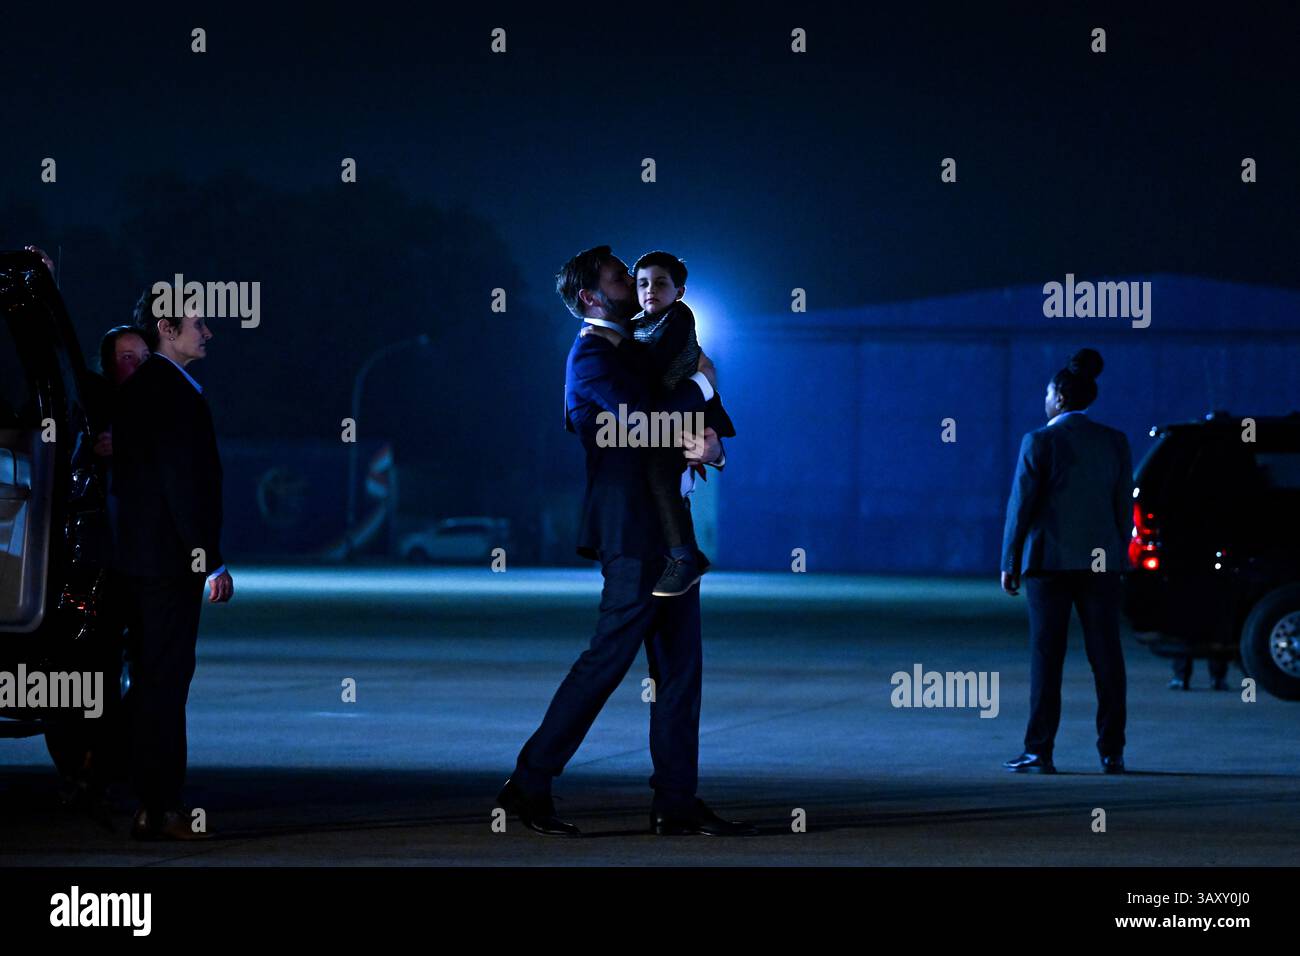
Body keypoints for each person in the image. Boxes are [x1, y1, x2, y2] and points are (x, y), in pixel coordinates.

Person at [495, 245, 758, 837]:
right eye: (619, 278)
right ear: (591, 297)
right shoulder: (589, 357)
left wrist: (713, 444)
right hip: (631, 532)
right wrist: (700, 385)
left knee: (681, 670)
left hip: (671, 535)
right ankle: (529, 782)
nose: (632, 285)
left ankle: (676, 802)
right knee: (607, 662)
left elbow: (674, 414)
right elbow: (643, 419)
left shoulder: (636, 349)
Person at [111, 288, 234, 840]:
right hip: (170, 564)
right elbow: (184, 486)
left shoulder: (138, 391)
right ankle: (161, 806)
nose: (206, 332)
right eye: (198, 323)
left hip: (138, 560)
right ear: (166, 326)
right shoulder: (176, 395)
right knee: (167, 682)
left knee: (148, 679)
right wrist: (209, 561)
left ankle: (144, 799)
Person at [1000, 348, 1132, 775]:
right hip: (1101, 564)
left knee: (1047, 658)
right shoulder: (1114, 440)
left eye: (1046, 392)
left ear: (1058, 396)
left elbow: (1021, 506)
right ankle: (1112, 751)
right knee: (1107, 656)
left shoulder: (1039, 440)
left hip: (1048, 563)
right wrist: (1116, 559)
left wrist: (1010, 560)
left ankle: (1040, 750)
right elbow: (1122, 509)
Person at [627, 250, 735, 597]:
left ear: (679, 292)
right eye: (642, 284)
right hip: (668, 419)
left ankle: (685, 557)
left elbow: (655, 364)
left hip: (688, 415)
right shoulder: (636, 322)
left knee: (661, 472)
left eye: (660, 283)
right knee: (661, 476)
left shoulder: (678, 318)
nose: (650, 291)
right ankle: (689, 556)